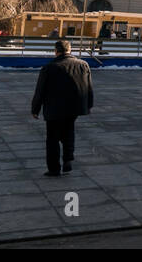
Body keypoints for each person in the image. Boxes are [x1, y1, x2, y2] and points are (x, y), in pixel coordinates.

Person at [30, 40, 94, 177]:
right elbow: (89, 88)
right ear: (70, 50)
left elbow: (40, 91)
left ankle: (54, 168)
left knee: (52, 138)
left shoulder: (49, 68)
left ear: (56, 51)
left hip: (54, 109)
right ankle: (68, 161)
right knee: (69, 133)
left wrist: (35, 109)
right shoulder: (83, 65)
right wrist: (89, 105)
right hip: (74, 108)